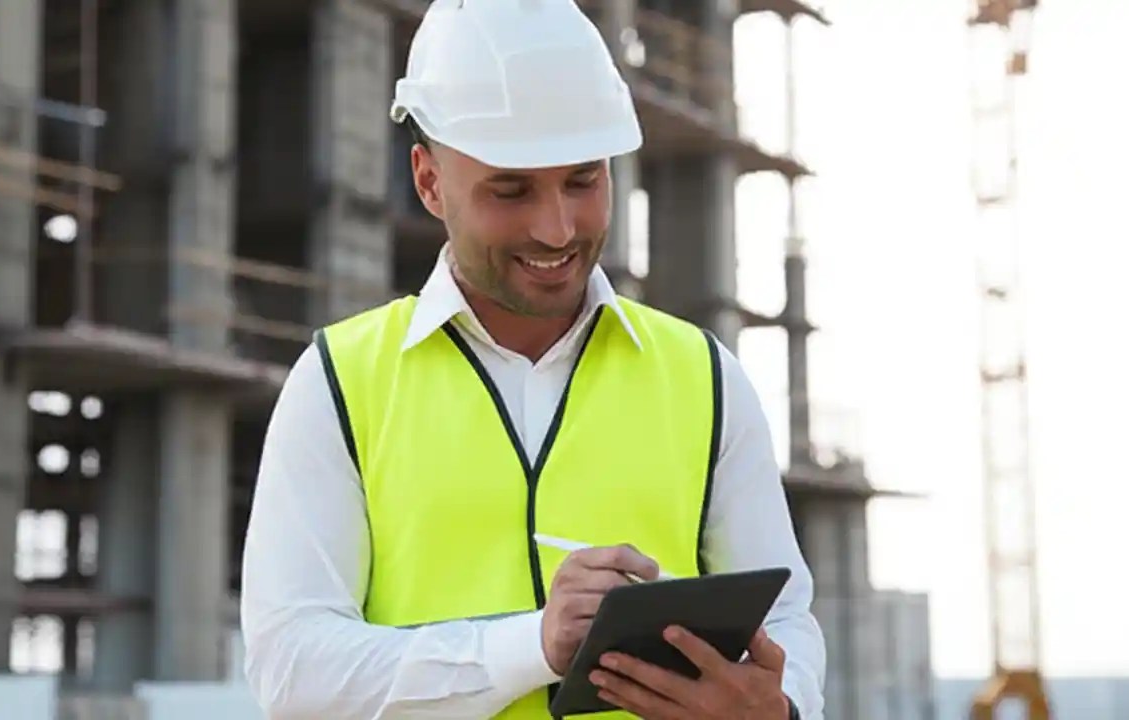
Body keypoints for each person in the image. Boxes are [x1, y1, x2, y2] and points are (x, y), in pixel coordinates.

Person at [240, 0, 825, 718]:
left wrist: (779, 707)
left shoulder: (705, 377)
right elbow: (293, 674)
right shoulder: (339, 383)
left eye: (584, 180)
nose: (557, 228)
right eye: (511, 190)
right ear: (428, 181)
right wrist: (532, 647)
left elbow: (789, 617)